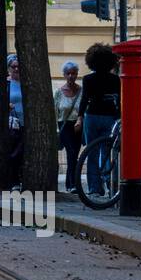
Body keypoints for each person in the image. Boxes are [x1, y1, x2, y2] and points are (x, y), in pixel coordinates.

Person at [76, 43, 121, 197]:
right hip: (110, 117)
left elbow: (84, 99)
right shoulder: (115, 80)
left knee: (91, 152)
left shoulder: (88, 79)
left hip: (92, 116)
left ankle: (95, 188)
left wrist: (80, 116)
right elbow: (119, 101)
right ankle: (109, 183)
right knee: (107, 152)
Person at [54, 60, 83, 193]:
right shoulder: (59, 93)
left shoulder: (81, 91)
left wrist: (80, 120)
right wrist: (56, 130)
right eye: (68, 73)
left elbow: (84, 110)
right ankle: (71, 184)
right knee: (71, 154)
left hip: (78, 126)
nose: (71, 76)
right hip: (64, 126)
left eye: (73, 73)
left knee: (74, 155)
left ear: (77, 74)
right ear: (64, 75)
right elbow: (55, 112)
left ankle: (71, 183)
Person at [6, 54, 24, 191]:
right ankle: (14, 182)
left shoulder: (26, 83)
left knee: (24, 153)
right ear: (9, 68)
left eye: (18, 66)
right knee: (14, 153)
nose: (16, 69)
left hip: (27, 123)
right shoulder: (7, 84)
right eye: (14, 66)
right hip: (13, 124)